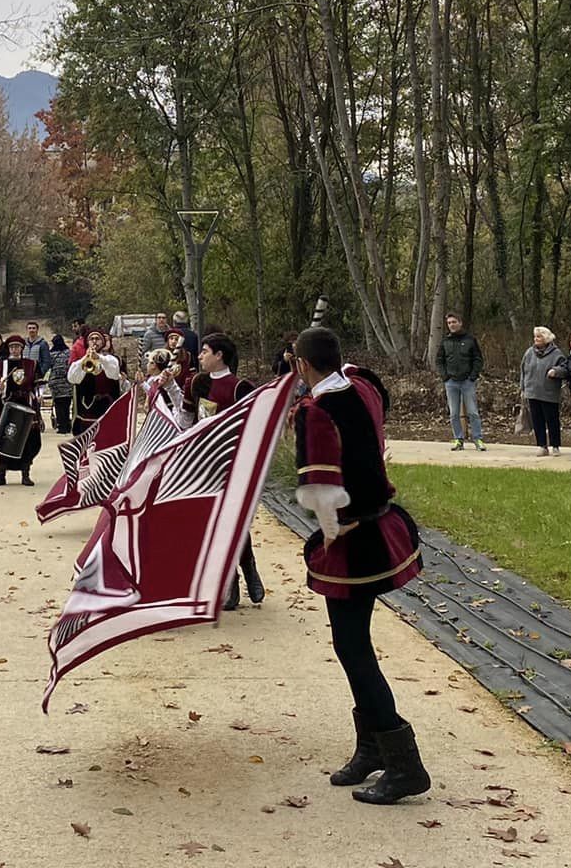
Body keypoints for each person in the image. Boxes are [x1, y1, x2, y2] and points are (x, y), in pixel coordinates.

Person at [292, 324, 430, 806]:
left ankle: (404, 763)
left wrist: (329, 531)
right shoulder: (363, 385)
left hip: (355, 539)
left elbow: (320, 489)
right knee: (353, 644)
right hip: (380, 525)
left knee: (353, 647)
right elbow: (356, 372)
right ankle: (371, 747)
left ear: (302, 365)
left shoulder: (315, 411)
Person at [190, 333, 265, 608]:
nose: (200, 356)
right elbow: (188, 418)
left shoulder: (240, 387)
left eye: (205, 351)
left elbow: (255, 424)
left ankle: (247, 568)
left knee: (233, 518)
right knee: (214, 520)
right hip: (204, 462)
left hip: (233, 462)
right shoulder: (198, 383)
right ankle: (230, 578)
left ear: (219, 355)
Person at [0, 333, 43, 487]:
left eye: (17, 346)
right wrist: (0, 387)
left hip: (27, 406)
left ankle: (25, 474)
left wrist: (38, 395)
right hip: (8, 407)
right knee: (6, 440)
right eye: (12, 347)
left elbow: (38, 384)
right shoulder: (2, 365)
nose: (14, 349)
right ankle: (0, 476)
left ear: (22, 348)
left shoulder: (31, 364)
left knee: (28, 441)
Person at [436, 313, 485, 451]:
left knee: (473, 412)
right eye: (449, 323)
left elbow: (478, 359)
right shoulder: (445, 341)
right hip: (451, 382)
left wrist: (473, 376)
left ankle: (478, 439)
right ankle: (458, 439)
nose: (451, 325)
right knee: (454, 413)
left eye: (454, 322)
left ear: (460, 323)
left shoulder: (470, 340)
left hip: (467, 382)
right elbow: (439, 360)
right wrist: (445, 376)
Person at [519, 327, 566, 456]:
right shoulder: (529, 352)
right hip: (532, 392)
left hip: (549, 392)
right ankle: (542, 445)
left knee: (552, 420)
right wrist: (523, 388)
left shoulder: (557, 354)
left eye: (539, 336)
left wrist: (556, 371)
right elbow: (523, 371)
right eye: (535, 336)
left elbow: (565, 368)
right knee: (537, 420)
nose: (536, 339)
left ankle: (555, 446)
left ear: (546, 338)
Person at [70, 329, 123, 435]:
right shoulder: (81, 362)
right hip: (87, 407)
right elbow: (72, 378)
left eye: (97, 339)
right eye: (91, 339)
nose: (94, 341)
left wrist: (99, 357)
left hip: (106, 405)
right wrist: (85, 358)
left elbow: (113, 374)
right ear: (87, 342)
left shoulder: (110, 359)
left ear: (102, 342)